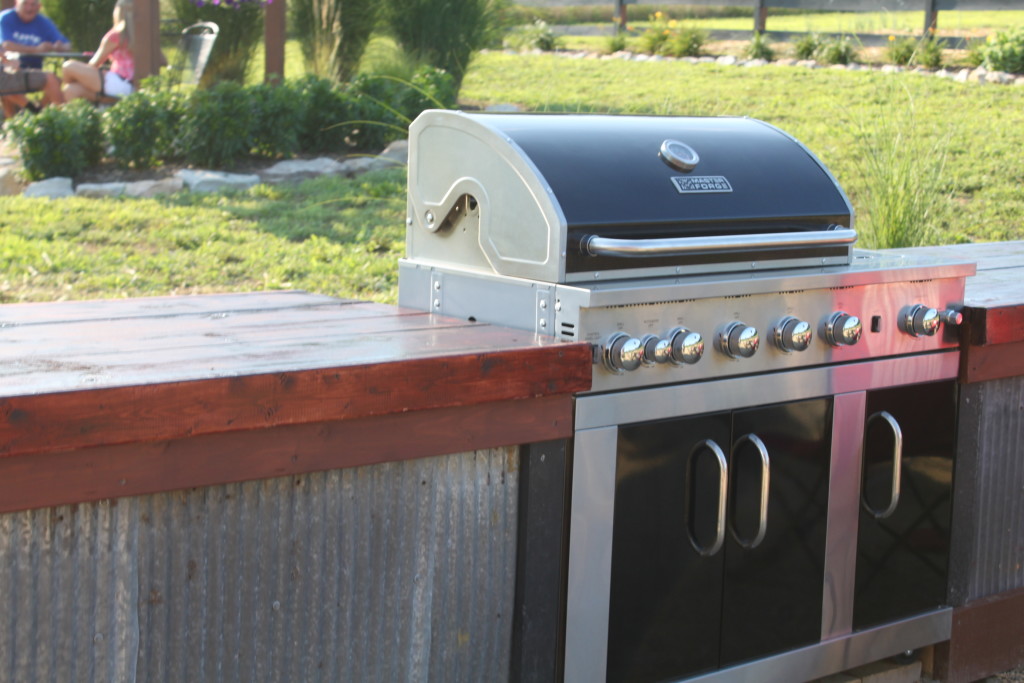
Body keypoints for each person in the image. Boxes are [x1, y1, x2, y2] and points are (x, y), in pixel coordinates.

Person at [0, 0, 69, 116]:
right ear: (16, 4)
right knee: (7, 84)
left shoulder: (43, 22)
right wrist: (36, 49)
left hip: (31, 71)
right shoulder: (6, 18)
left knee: (56, 80)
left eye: (33, 4)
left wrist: (57, 46)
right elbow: (6, 45)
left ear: (39, 6)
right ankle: (31, 114)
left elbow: (67, 46)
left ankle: (38, 114)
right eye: (25, 4)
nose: (29, 8)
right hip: (10, 72)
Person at [61, 0, 133, 103]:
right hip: (134, 87)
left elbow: (94, 63)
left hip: (118, 83)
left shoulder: (116, 35)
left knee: (68, 67)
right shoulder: (145, 35)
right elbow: (163, 61)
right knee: (71, 90)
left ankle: (57, 109)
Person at [0, 52, 62, 118]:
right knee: (6, 84)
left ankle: (40, 112)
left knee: (51, 78)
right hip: (7, 77)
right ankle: (35, 112)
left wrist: (9, 58)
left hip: (15, 72)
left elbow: (4, 52)